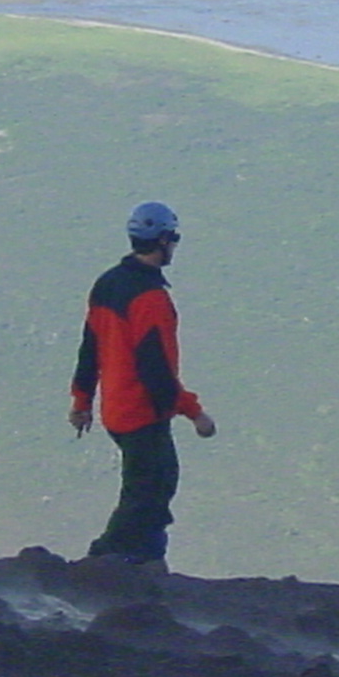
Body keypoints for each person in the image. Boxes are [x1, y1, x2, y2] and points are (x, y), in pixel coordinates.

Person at [69, 201, 216, 571]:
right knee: (151, 488)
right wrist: (194, 412)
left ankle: (147, 561)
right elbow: (157, 370)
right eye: (175, 238)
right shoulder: (151, 299)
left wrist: (81, 401)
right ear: (162, 240)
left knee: (150, 485)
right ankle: (109, 560)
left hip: (114, 409)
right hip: (141, 411)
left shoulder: (107, 284)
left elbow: (90, 347)